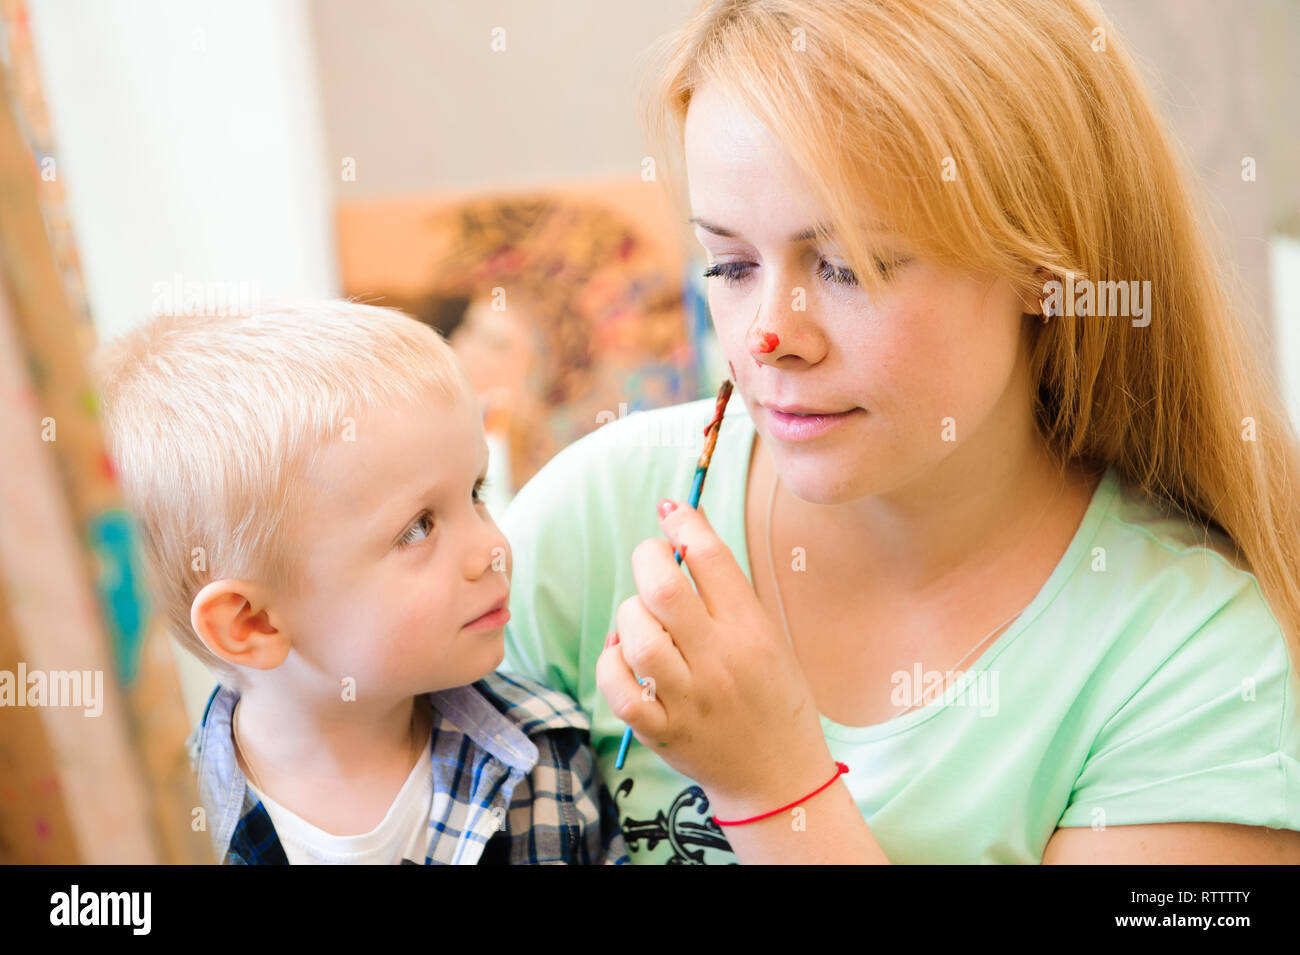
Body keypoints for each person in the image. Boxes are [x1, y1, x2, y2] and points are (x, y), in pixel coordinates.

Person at [500, 0, 1300, 863]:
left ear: (1045, 265)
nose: (769, 335)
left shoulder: (1193, 660)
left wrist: (775, 793)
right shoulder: (587, 521)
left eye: (850, 265)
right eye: (729, 265)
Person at [93, 300, 628, 865]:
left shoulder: (549, 754)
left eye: (475, 491)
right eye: (417, 528)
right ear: (253, 622)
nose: (492, 549)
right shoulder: (169, 838)